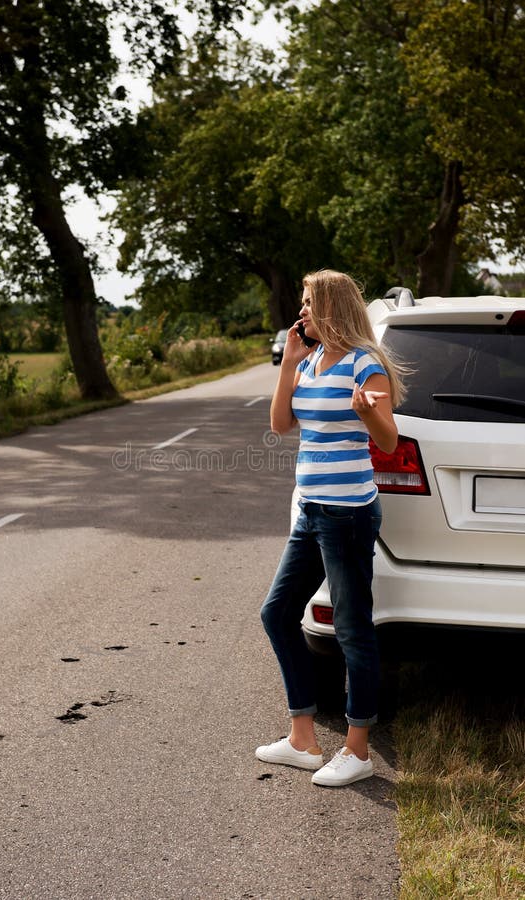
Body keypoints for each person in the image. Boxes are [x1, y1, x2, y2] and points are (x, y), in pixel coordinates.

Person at [256, 269, 405, 787]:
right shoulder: (312, 360)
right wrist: (289, 366)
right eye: (300, 302)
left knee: (351, 629)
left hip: (348, 514)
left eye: (307, 303)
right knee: (277, 614)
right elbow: (280, 425)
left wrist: (370, 414)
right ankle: (302, 739)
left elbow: (387, 442)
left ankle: (357, 749)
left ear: (332, 309)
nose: (299, 313)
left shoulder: (367, 365)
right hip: (313, 511)